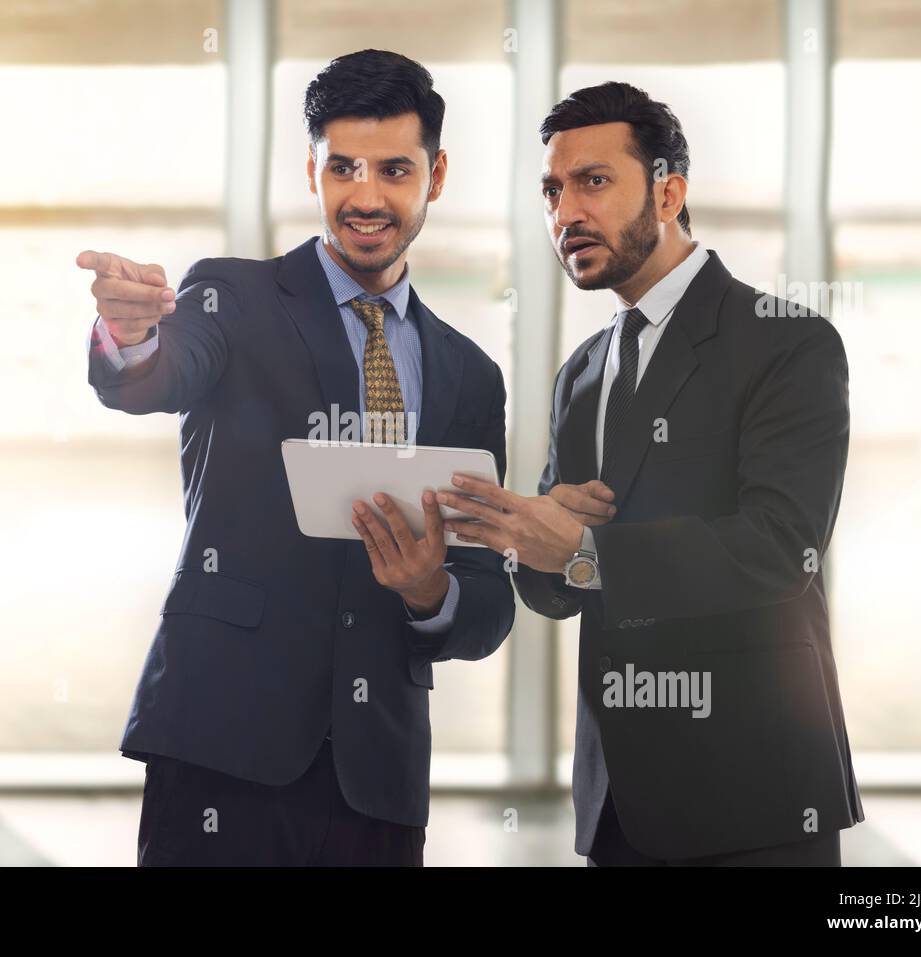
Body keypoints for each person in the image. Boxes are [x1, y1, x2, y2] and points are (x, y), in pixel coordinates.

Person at [79, 49, 514, 866]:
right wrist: (132, 338)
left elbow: (491, 600)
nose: (366, 195)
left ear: (437, 173)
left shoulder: (469, 375)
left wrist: (433, 591)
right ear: (311, 167)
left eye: (394, 169)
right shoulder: (234, 298)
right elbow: (157, 376)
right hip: (221, 748)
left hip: (375, 778)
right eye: (342, 166)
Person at [439, 81, 863, 866]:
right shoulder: (583, 374)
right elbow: (554, 581)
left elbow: (780, 546)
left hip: (755, 797)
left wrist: (584, 548)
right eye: (552, 189)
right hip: (616, 807)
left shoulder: (788, 343)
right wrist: (539, 537)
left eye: (592, 181)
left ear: (668, 192)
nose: (565, 212)